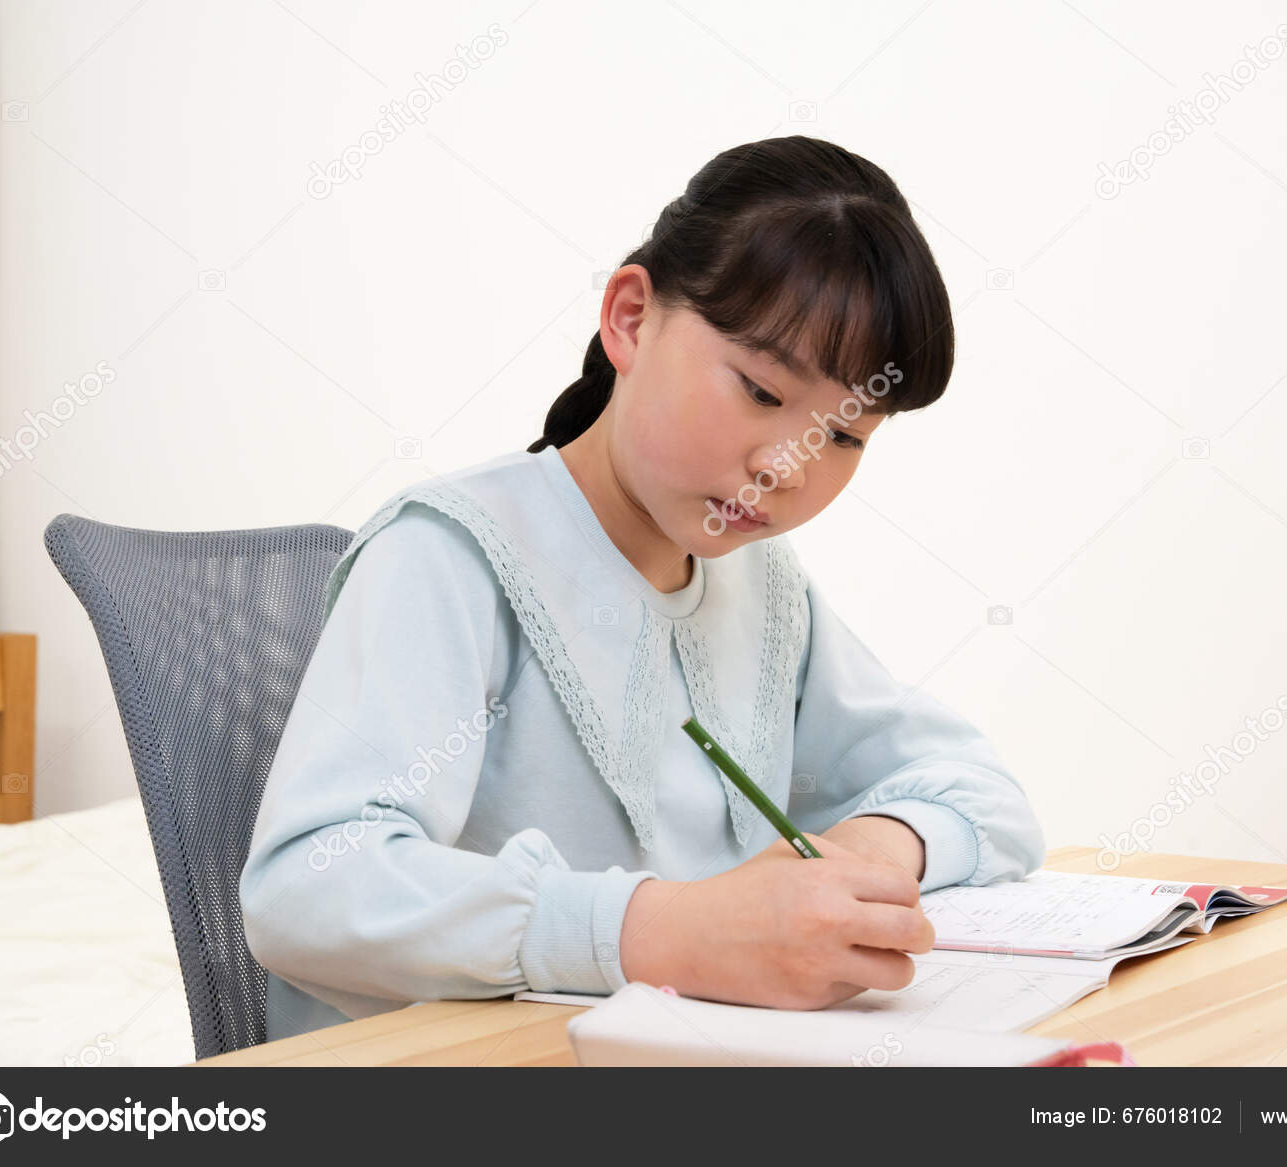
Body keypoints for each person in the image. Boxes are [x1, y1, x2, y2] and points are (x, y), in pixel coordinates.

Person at [239, 135, 1046, 1040]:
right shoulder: (447, 556)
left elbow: (986, 795)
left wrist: (865, 848)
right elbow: (307, 884)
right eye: (761, 392)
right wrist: (665, 931)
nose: (788, 466)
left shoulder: (763, 588)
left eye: (847, 438)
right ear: (629, 317)